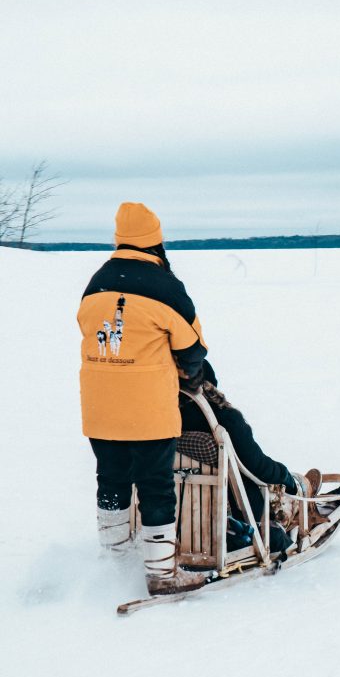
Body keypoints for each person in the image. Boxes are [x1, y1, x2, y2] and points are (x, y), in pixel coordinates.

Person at [78, 202, 209, 595]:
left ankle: (115, 562)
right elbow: (192, 347)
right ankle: (161, 573)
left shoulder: (95, 282)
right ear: (156, 241)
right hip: (148, 407)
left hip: (100, 405)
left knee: (111, 477)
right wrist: (192, 373)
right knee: (155, 484)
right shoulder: (166, 286)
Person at [178, 362, 322, 553]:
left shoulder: (166, 424)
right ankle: (296, 508)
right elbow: (257, 466)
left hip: (180, 522)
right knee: (279, 485)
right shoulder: (224, 418)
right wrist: (286, 477)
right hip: (241, 522)